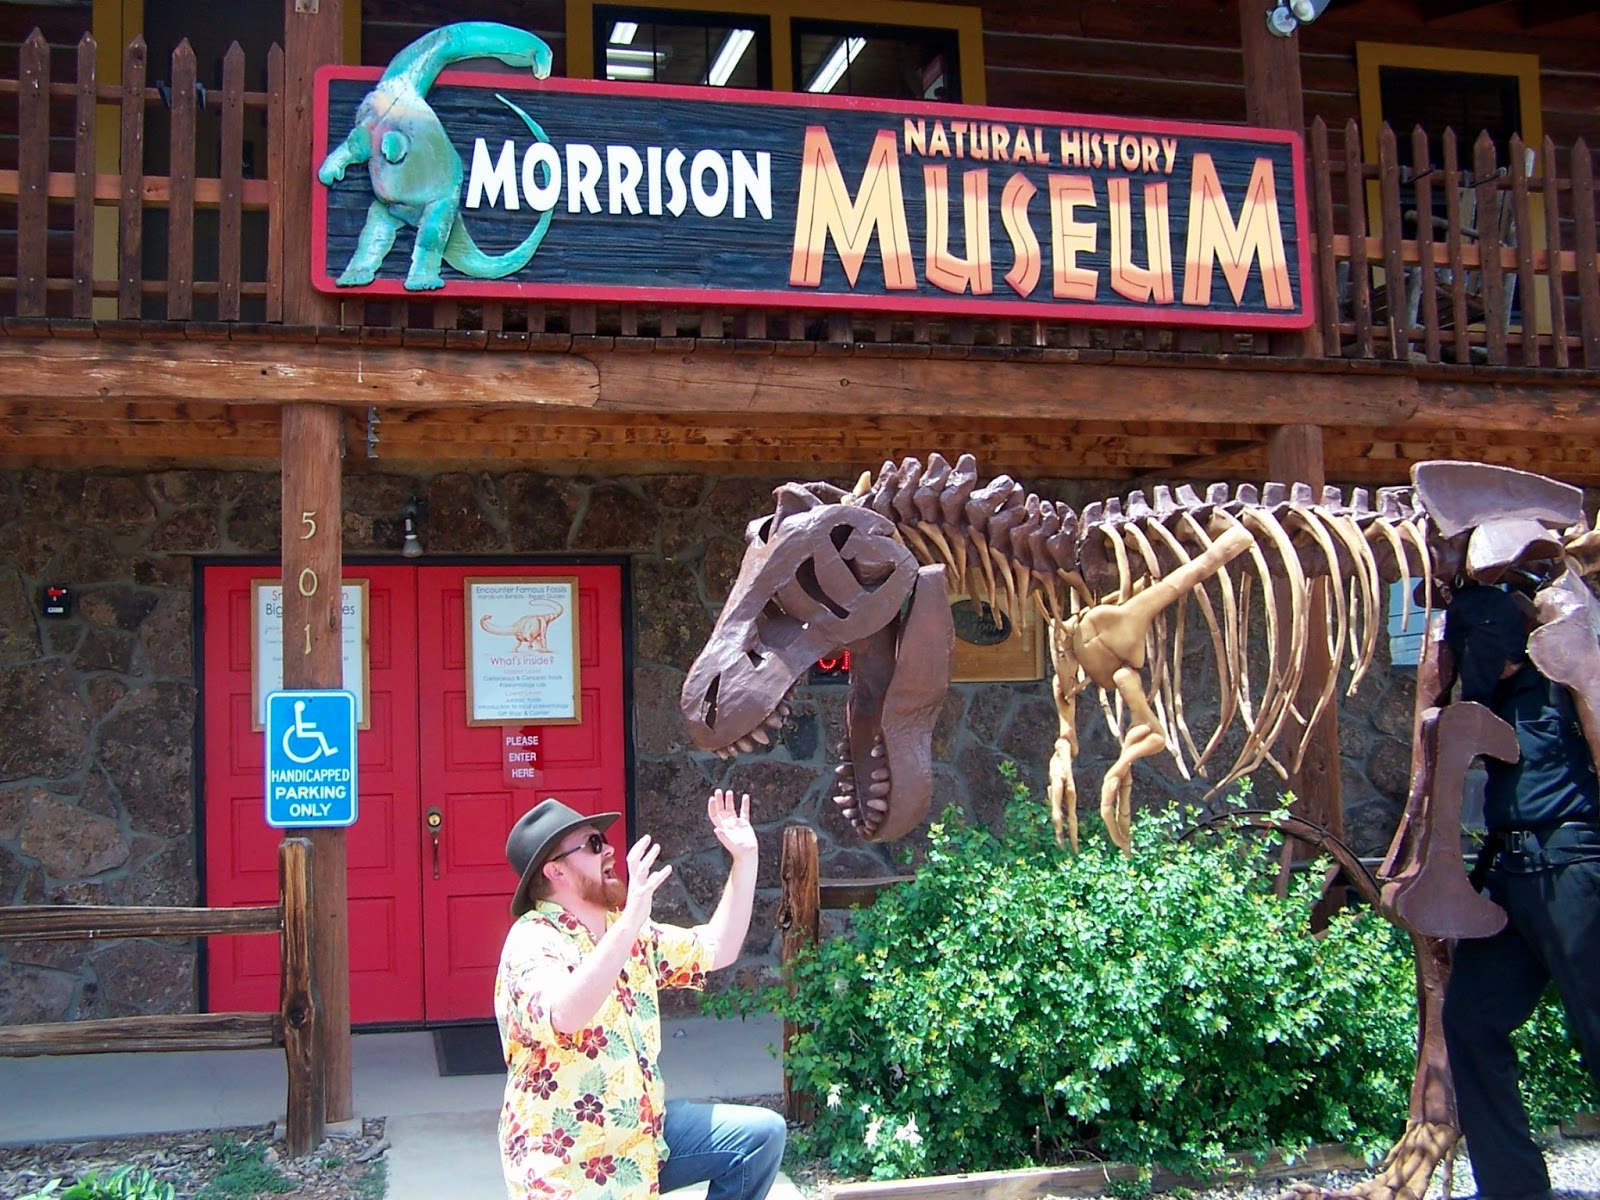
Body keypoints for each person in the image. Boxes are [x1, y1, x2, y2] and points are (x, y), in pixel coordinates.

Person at [494, 790, 786, 1200]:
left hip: (642, 1141)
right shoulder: (532, 940)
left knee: (758, 1137)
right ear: (555, 872)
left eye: (604, 839)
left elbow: (718, 948)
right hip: (569, 1169)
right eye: (594, 845)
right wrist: (630, 922)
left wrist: (745, 859)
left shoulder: (625, 930)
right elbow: (563, 1013)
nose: (609, 850)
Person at [1439, 584, 1600, 1200]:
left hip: (1574, 869)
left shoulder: (1567, 676)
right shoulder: (1491, 699)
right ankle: (1512, 1190)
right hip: (1508, 874)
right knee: (1472, 1019)